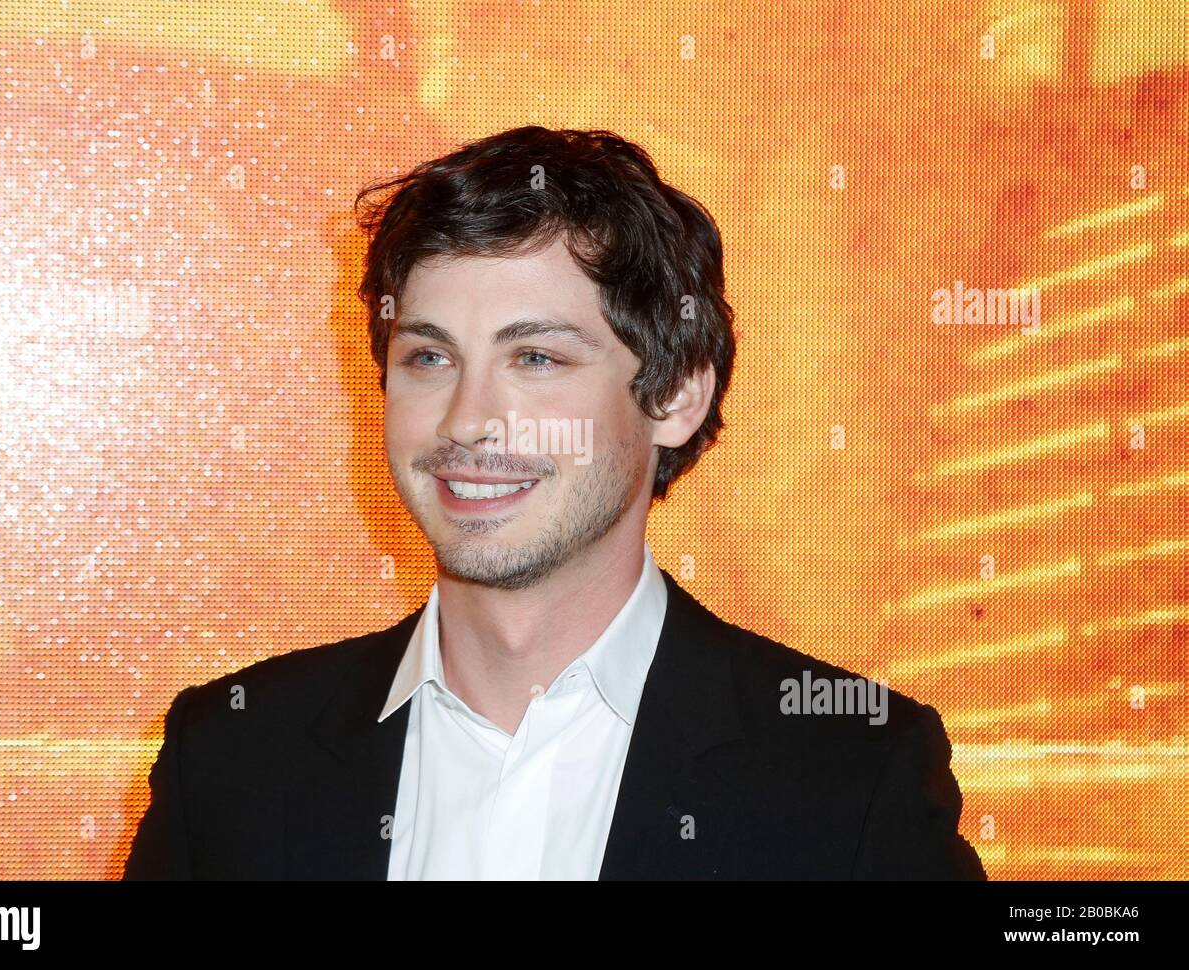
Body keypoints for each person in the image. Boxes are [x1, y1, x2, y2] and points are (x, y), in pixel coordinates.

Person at [123, 126, 986, 880]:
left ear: (675, 395)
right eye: (429, 357)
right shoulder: (232, 757)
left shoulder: (852, 773)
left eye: (535, 358)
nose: (466, 421)